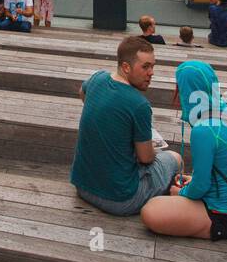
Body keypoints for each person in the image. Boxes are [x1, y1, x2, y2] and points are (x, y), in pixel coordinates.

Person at [139, 60, 227, 242]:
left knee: (150, 210)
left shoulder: (204, 129)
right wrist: (194, 181)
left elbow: (201, 187)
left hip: (226, 216)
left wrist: (182, 193)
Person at [70, 36, 182, 216]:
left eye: (153, 66)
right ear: (126, 67)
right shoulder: (139, 105)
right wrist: (152, 148)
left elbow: (82, 93)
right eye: (145, 66)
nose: (151, 72)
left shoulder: (98, 78)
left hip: (83, 186)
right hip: (120, 200)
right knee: (175, 158)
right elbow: (145, 158)